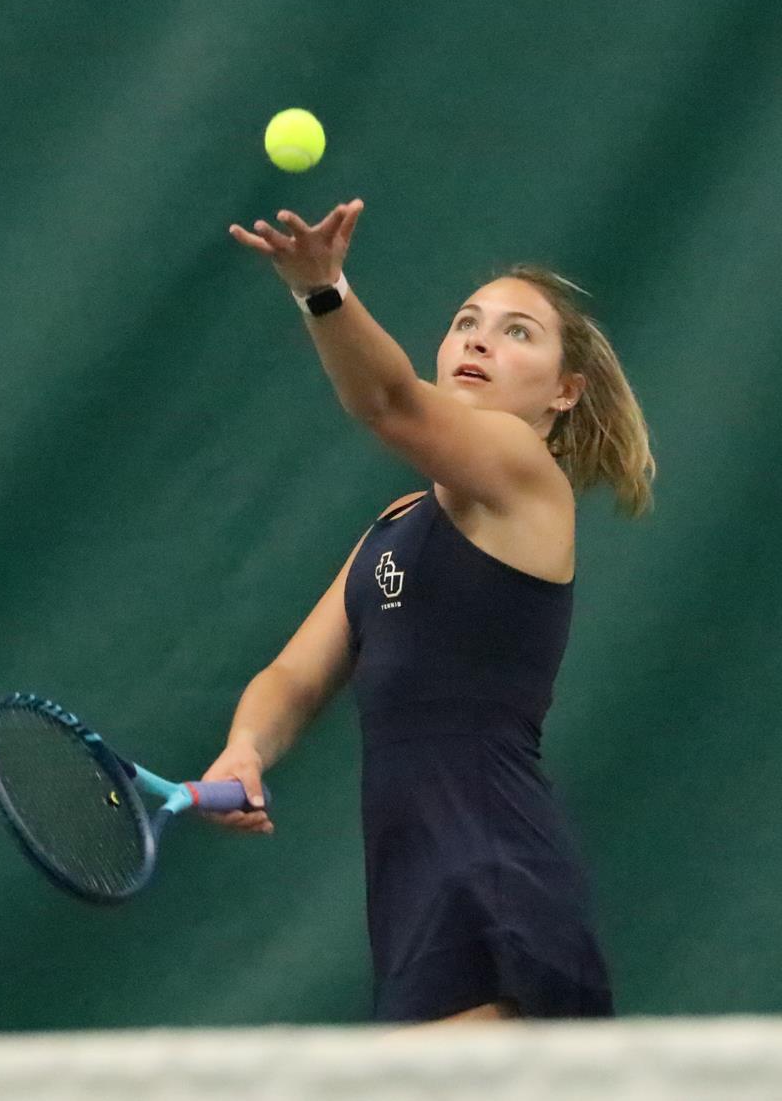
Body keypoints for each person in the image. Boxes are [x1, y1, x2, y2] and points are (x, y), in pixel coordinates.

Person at [209, 197, 655, 1025]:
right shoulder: (390, 529)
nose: (480, 338)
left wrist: (323, 289)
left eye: (519, 330)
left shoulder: (528, 481)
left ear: (565, 392)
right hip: (415, 903)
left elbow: (388, 402)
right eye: (466, 321)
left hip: (497, 883)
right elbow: (292, 678)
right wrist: (245, 747)